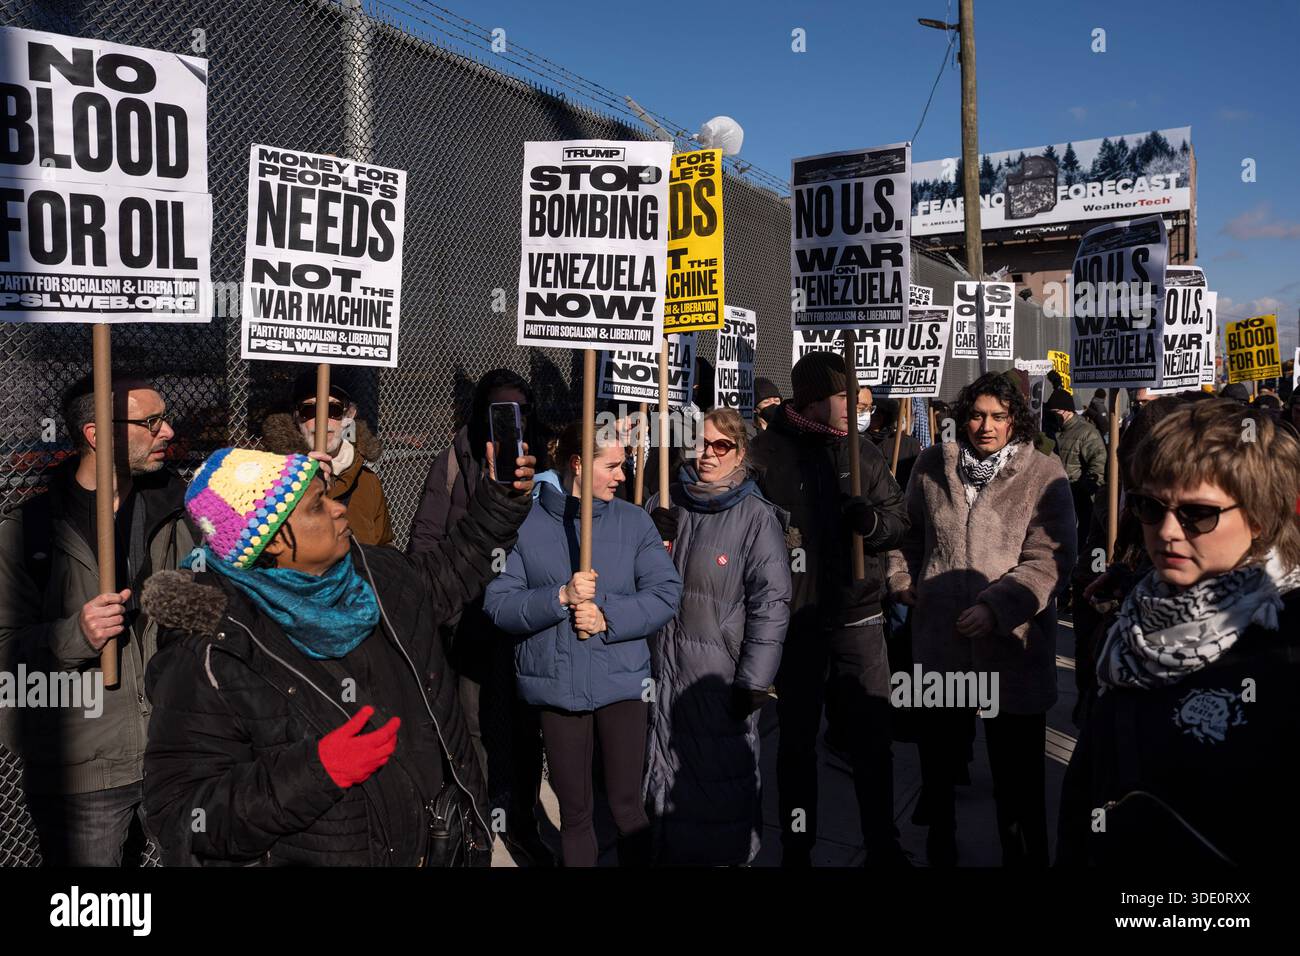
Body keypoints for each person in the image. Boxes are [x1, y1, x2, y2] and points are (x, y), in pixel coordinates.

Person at [139, 441, 536, 865]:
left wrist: (502, 496)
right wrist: (315, 771)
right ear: (270, 541)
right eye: (316, 507)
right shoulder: (213, 648)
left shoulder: (374, 573)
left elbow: (449, 573)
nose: (338, 509)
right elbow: (184, 815)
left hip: (446, 846)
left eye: (327, 496)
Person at [1058, 399, 1300, 866]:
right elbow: (1087, 792)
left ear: (1261, 515)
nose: (1167, 531)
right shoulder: (1133, 622)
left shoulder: (1285, 644)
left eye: (1197, 514)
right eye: (1150, 507)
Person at [0, 374, 197, 866]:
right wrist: (74, 636)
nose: (168, 431)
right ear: (97, 434)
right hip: (83, 771)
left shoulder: (179, 511)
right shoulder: (27, 533)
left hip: (178, 752)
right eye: (151, 421)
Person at [887, 372, 1076, 867]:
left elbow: (1051, 559)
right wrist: (902, 579)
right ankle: (941, 847)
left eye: (997, 416)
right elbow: (908, 537)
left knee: (1017, 782)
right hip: (941, 643)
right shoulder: (932, 464)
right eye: (976, 414)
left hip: (1012, 650)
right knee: (939, 766)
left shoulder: (1044, 472)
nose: (985, 426)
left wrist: (998, 607)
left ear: (1015, 419)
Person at [484, 421, 682, 867]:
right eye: (612, 465)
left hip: (622, 686)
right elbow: (499, 603)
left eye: (624, 465)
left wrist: (606, 615)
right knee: (576, 814)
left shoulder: (635, 523)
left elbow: (666, 593)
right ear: (577, 463)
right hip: (557, 687)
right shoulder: (526, 525)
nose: (622, 475)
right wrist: (559, 597)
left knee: (627, 807)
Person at [749, 350, 909, 867]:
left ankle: (882, 846)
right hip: (797, 619)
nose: (855, 406)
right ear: (813, 399)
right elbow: (734, 514)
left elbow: (898, 519)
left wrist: (872, 526)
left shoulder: (861, 453)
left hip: (858, 615)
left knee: (870, 738)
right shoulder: (767, 453)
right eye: (844, 396)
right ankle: (798, 850)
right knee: (796, 742)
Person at [405, 368, 553, 865]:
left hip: (528, 614)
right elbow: (427, 536)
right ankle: (478, 822)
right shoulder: (454, 458)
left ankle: (522, 821)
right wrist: (440, 608)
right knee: (471, 725)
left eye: (520, 410)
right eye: (499, 410)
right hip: (469, 615)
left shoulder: (543, 460)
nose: (511, 421)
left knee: (523, 724)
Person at [642, 408, 791, 865]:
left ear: (740, 453)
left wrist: (754, 682)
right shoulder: (667, 502)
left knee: (718, 778)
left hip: (718, 678)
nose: (707, 454)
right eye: (700, 444)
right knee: (664, 769)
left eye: (720, 446)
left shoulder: (756, 518)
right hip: (661, 670)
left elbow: (771, 604)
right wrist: (648, 525)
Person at [260, 370, 393, 547]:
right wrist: (296, 480)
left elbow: (384, 547)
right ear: (296, 417)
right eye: (309, 410)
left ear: (349, 415)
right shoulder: (271, 477)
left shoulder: (368, 482)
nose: (321, 420)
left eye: (333, 409)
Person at [1046, 386, 1106, 555]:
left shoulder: (1087, 433)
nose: (1052, 415)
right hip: (1055, 496)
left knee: (1078, 541)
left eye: (1055, 411)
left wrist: (1084, 488)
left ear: (1066, 411)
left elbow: (1098, 463)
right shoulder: (1053, 431)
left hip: (1078, 498)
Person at [865, 397, 922, 489]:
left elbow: (918, 478)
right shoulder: (857, 442)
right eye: (870, 411)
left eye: (880, 412)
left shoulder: (909, 444)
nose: (874, 415)